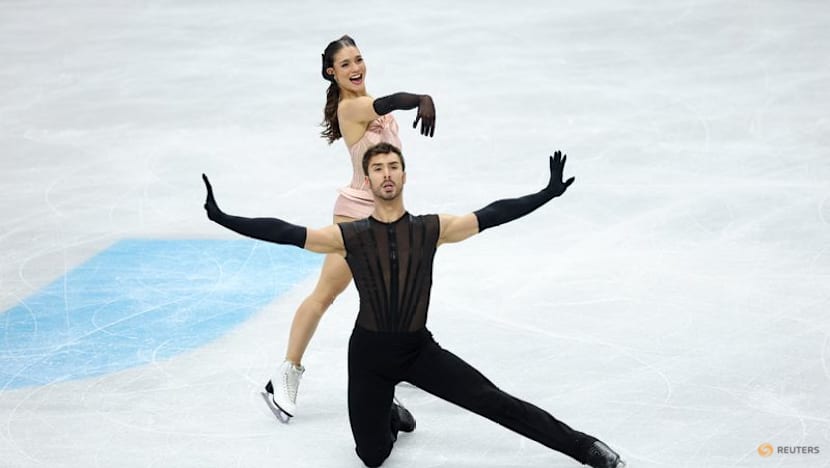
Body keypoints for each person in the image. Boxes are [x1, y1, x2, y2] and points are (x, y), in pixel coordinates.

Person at [201, 142, 626, 468]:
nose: (386, 174)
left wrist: (545, 193)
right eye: (377, 169)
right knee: (372, 457)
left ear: (404, 175)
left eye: (393, 167)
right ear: (366, 181)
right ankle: (391, 413)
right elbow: (286, 231)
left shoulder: (431, 229)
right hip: (368, 356)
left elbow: (492, 214)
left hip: (419, 352)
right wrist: (225, 218)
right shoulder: (349, 236)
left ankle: (585, 448)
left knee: (494, 401)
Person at [267, 34, 437, 419]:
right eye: (345, 64)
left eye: (358, 59)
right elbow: (390, 103)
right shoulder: (351, 108)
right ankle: (286, 371)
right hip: (356, 217)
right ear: (332, 73)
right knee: (326, 294)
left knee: (395, 293)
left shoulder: (361, 98)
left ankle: (402, 360)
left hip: (383, 213)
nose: (356, 68)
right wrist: (421, 98)